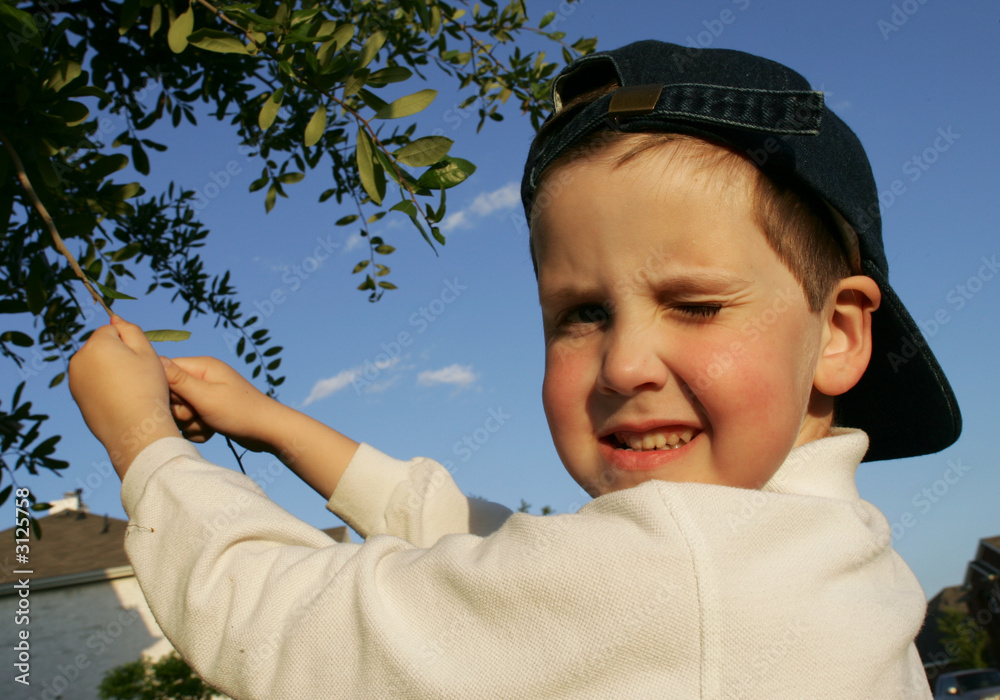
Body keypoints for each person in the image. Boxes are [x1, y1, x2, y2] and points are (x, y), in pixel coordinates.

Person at [69, 41, 961, 698]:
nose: (624, 362)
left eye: (694, 305)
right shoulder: (830, 551)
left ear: (840, 333)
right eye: (582, 313)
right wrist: (272, 421)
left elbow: (282, 624)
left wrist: (143, 443)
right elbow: (494, 550)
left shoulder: (691, 575)